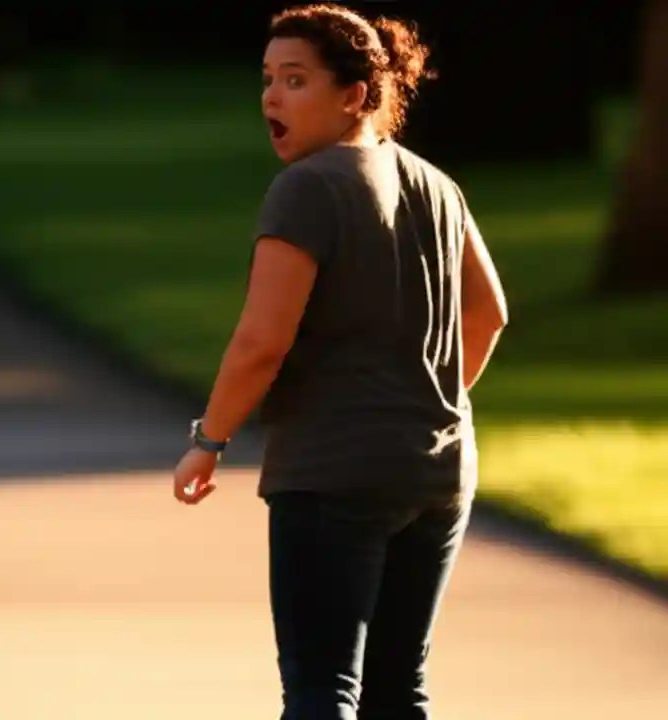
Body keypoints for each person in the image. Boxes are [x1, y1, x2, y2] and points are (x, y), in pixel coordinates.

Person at [170, 3, 509, 719]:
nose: (271, 97)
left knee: (323, 690)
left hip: (333, 475)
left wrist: (209, 442)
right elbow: (488, 315)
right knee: (399, 691)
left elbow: (263, 339)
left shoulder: (308, 187)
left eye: (295, 80)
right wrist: (418, 405)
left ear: (354, 94)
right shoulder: (436, 185)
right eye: (267, 79)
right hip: (439, 471)